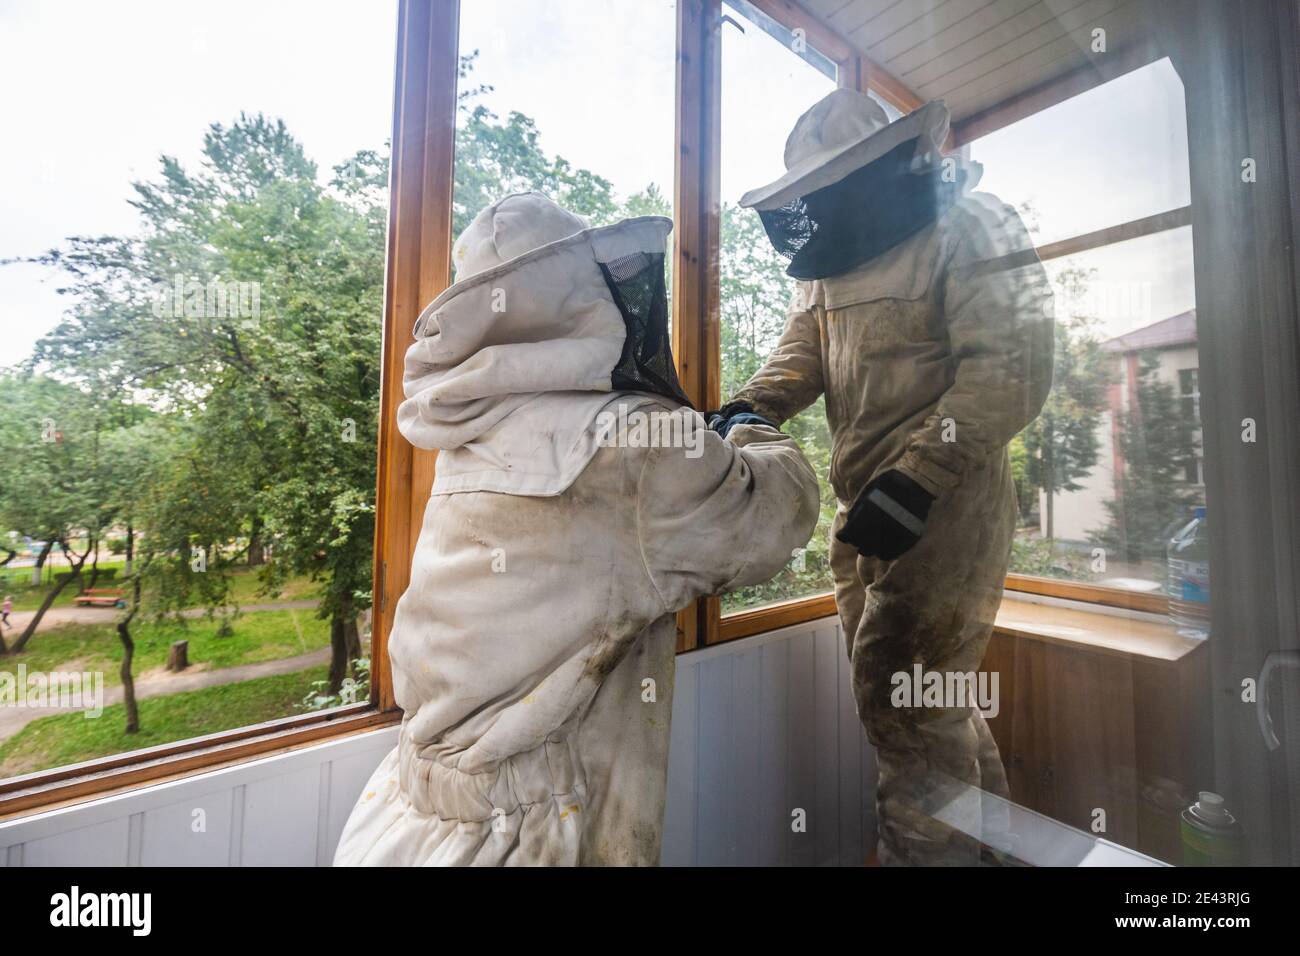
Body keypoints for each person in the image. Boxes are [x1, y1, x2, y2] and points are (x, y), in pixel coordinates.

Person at [334, 193, 819, 866]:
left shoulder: (470, 432)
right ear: (582, 290)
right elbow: (778, 516)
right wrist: (748, 426)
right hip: (530, 836)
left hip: (401, 818)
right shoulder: (636, 443)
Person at [711, 91, 1054, 865]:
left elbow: (1012, 366)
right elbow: (803, 349)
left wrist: (918, 479)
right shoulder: (829, 259)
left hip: (948, 512)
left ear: (884, 163)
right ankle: (994, 854)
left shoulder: (973, 224)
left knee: (903, 708)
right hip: (862, 512)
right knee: (932, 706)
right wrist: (743, 407)